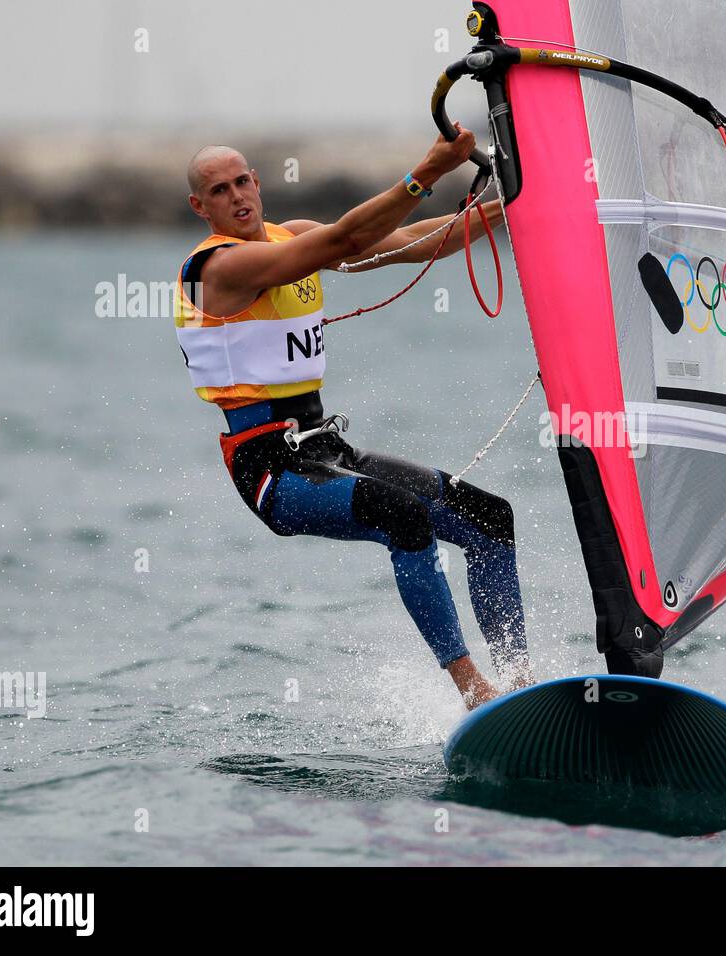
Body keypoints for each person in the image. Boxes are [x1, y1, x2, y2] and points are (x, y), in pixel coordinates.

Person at [175, 128, 531, 709]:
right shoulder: (217, 269)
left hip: (326, 451)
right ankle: (474, 691)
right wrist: (427, 173)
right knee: (404, 517)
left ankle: (519, 684)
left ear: (258, 184)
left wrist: (513, 208)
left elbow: (415, 242)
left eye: (243, 182)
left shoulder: (291, 235)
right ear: (200, 206)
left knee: (490, 518)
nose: (237, 196)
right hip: (269, 471)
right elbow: (343, 235)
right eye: (219, 190)